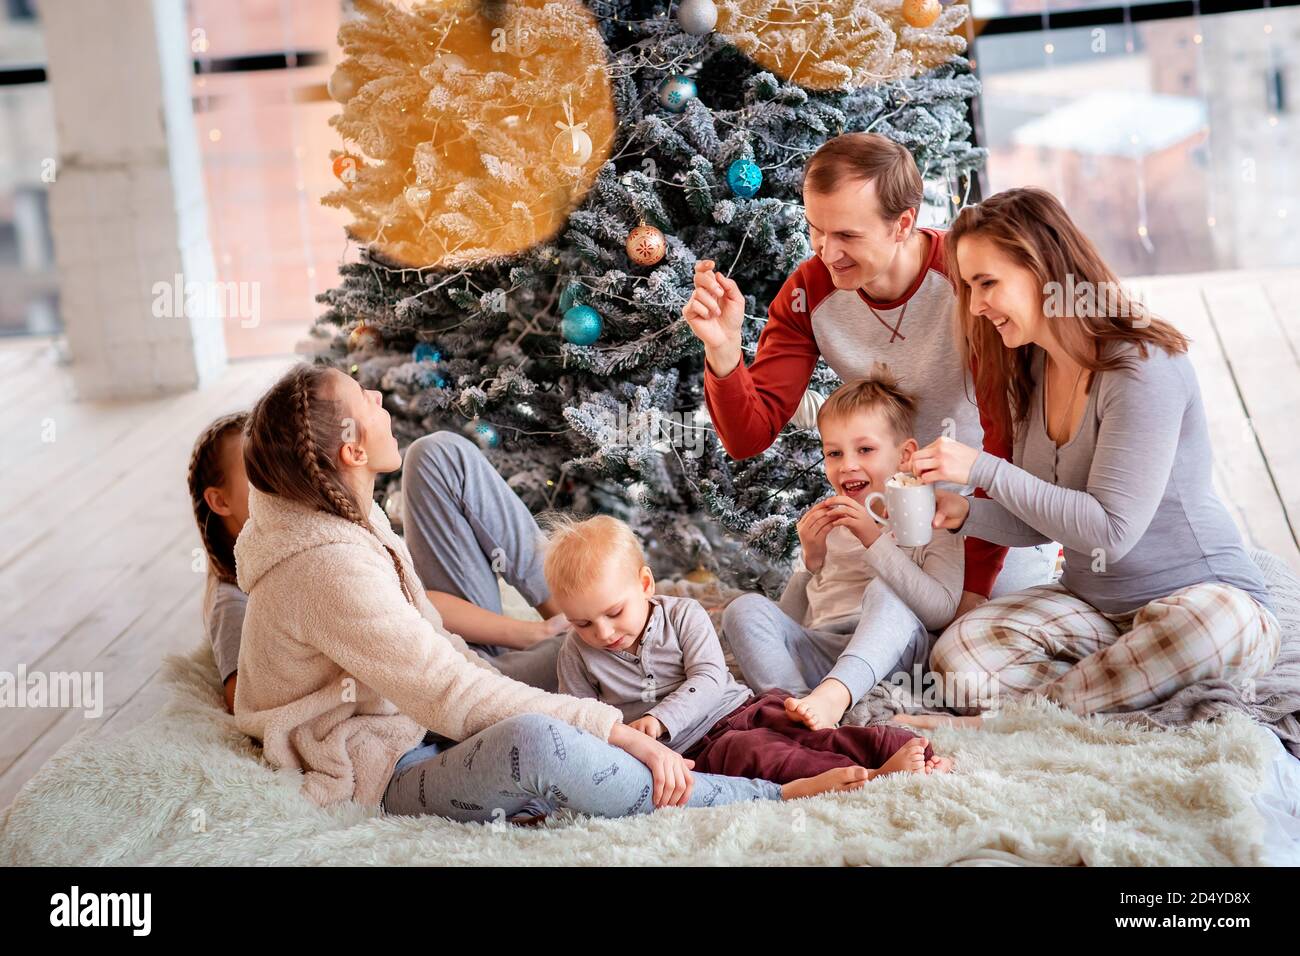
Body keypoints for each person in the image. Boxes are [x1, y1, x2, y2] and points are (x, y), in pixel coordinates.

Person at [231, 362, 874, 820]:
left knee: (442, 457)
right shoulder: (325, 570)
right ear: (347, 452)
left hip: (429, 697)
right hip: (386, 760)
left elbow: (435, 649)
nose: (376, 396)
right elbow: (450, 693)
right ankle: (758, 794)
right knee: (538, 744)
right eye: (362, 401)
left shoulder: (339, 508)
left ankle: (578, 608)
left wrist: (550, 632)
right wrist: (618, 733)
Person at [898, 187, 1280, 728]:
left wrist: (982, 469)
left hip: (1199, 602)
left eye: (987, 283)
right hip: (1096, 610)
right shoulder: (1031, 369)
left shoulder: (1143, 367)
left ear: (1044, 270)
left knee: (1219, 628)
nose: (976, 305)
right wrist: (964, 513)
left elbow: (1108, 532)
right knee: (961, 654)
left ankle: (1011, 723)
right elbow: (1043, 520)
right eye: (967, 287)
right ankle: (1111, 700)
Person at [682, 132, 1055, 624]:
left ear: (903, 224)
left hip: (985, 520)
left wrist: (975, 592)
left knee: (970, 650)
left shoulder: (965, 279)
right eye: (816, 229)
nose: (825, 252)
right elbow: (749, 436)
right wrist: (724, 350)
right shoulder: (809, 292)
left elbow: (1003, 440)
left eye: (847, 236)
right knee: (855, 638)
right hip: (887, 522)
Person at [547, 514, 951, 781]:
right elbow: (583, 718)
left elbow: (707, 676)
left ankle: (909, 750)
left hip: (743, 706)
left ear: (646, 584)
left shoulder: (684, 614)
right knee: (765, 756)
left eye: (614, 612)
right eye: (582, 622)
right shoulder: (576, 653)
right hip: (698, 747)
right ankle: (867, 777)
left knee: (812, 733)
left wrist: (659, 717)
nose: (602, 631)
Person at [722, 369, 963, 730]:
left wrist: (874, 539)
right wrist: (810, 563)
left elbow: (940, 612)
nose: (847, 464)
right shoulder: (832, 520)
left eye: (865, 449)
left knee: (884, 591)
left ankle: (834, 697)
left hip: (895, 660)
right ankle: (798, 708)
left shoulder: (932, 516)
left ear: (904, 456)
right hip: (824, 653)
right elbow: (790, 621)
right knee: (744, 609)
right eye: (834, 453)